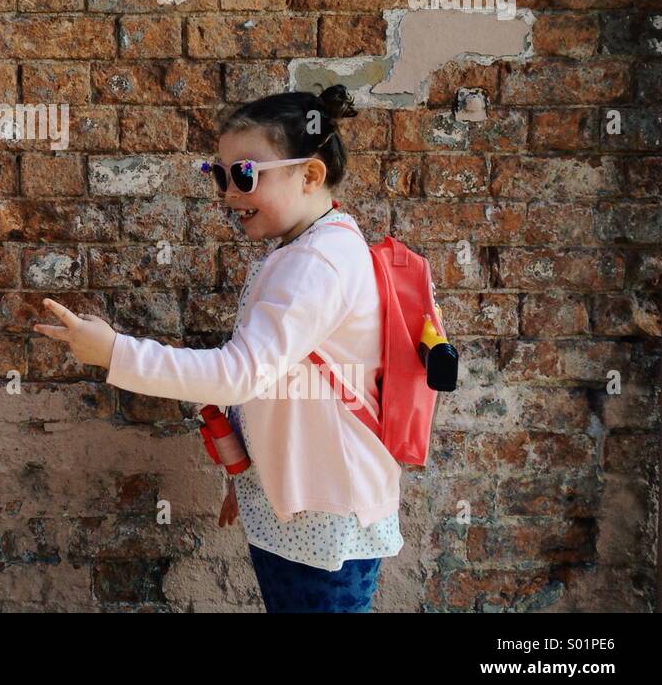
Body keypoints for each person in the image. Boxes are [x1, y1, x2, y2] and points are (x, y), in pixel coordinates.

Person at [35, 84, 401, 612]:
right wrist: (251, 477)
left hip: (326, 522)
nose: (229, 192)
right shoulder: (309, 248)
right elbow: (273, 381)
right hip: (302, 510)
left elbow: (238, 374)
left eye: (246, 174)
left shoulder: (316, 263)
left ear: (310, 174)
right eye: (221, 174)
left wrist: (116, 353)